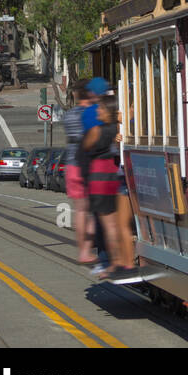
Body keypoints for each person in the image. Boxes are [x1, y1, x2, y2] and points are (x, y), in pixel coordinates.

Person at [79, 82, 126, 278]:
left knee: (109, 226)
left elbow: (84, 150)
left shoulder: (96, 131)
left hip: (99, 179)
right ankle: (121, 260)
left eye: (100, 108)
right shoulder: (118, 128)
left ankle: (114, 263)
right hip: (115, 175)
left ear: (107, 110)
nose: (97, 110)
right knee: (118, 223)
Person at [64, 78, 95, 264]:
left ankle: (83, 251)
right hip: (89, 164)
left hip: (71, 164)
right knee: (98, 210)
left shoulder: (69, 116)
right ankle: (90, 249)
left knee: (80, 211)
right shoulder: (93, 114)